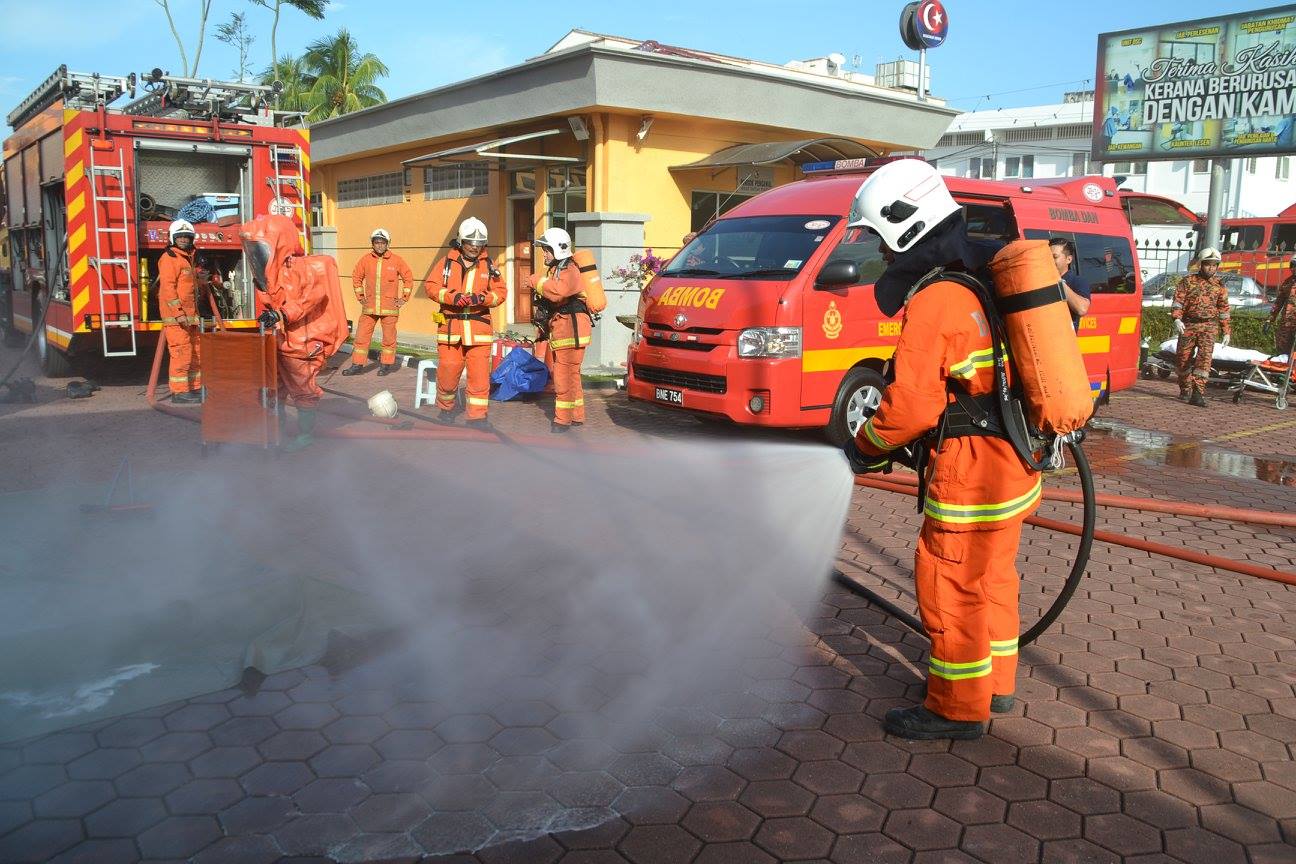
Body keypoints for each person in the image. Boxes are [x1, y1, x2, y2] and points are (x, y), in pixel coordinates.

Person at [843, 159, 1041, 741]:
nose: (881, 250)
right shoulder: (979, 279)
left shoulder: (935, 301)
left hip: (970, 474)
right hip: (1013, 462)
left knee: (949, 584)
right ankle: (996, 687)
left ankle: (956, 707)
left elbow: (911, 407)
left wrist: (867, 442)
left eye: (880, 236)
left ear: (905, 225)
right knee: (993, 579)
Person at [242, 214, 349, 451]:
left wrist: (281, 315)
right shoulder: (275, 272)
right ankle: (276, 430)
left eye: (260, 248)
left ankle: (305, 435)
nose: (257, 255)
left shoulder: (306, 268)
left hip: (303, 342)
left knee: (303, 390)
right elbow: (274, 298)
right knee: (275, 387)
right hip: (283, 340)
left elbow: (312, 298)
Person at [424, 218, 505, 428]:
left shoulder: (489, 265)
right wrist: (452, 297)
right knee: (448, 372)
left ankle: (477, 417)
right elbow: (431, 287)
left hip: (479, 332)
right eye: (471, 243)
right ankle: (446, 409)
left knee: (479, 377)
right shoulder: (446, 263)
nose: (475, 248)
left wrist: (483, 299)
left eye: (479, 245)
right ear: (461, 242)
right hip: (450, 331)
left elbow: (500, 292)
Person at [525, 227, 592, 432]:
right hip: (566, 327)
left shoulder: (569, 269)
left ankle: (562, 421)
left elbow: (559, 292)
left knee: (562, 374)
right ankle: (577, 415)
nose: (544, 253)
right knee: (571, 374)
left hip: (570, 329)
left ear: (557, 249)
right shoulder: (559, 268)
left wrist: (536, 282)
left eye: (546, 249)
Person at [343, 228, 414, 377]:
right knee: (361, 337)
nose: (380, 245)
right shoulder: (365, 260)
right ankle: (357, 365)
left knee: (388, 339)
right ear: (372, 244)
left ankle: (386, 365)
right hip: (369, 308)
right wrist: (360, 296)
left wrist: (404, 298)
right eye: (377, 242)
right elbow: (356, 277)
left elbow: (408, 278)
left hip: (390, 308)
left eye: (382, 242)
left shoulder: (397, 260)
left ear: (388, 244)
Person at [1172, 247, 1230, 407]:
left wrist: (1226, 331)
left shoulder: (1219, 285)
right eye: (1207, 264)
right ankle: (1185, 388)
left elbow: (1224, 309)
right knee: (1183, 359)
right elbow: (1178, 302)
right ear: (1201, 265)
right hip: (1189, 324)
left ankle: (1198, 393)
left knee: (1204, 361)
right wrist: (1177, 318)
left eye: (1214, 265)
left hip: (1209, 326)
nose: (1211, 268)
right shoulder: (1188, 281)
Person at [157, 219, 203, 403]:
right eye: (180, 236)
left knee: (196, 353)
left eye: (187, 236)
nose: (184, 239)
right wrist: (179, 314)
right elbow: (168, 289)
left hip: (190, 318)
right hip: (177, 320)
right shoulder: (169, 258)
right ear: (172, 238)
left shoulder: (187, 258)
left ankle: (195, 387)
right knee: (181, 353)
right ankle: (180, 392)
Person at [1048, 238, 1091, 328]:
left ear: (1068, 259)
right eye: (1048, 257)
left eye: (1055, 257)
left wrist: (1060, 283)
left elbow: (1082, 309)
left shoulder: (1077, 281)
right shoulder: (1043, 281)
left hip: (1065, 340)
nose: (1050, 261)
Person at [1269, 257, 1296, 356]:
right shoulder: (1287, 283)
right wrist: (1270, 319)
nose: (1294, 269)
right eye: (1292, 266)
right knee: (1283, 351)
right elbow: (1278, 303)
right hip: (1286, 325)